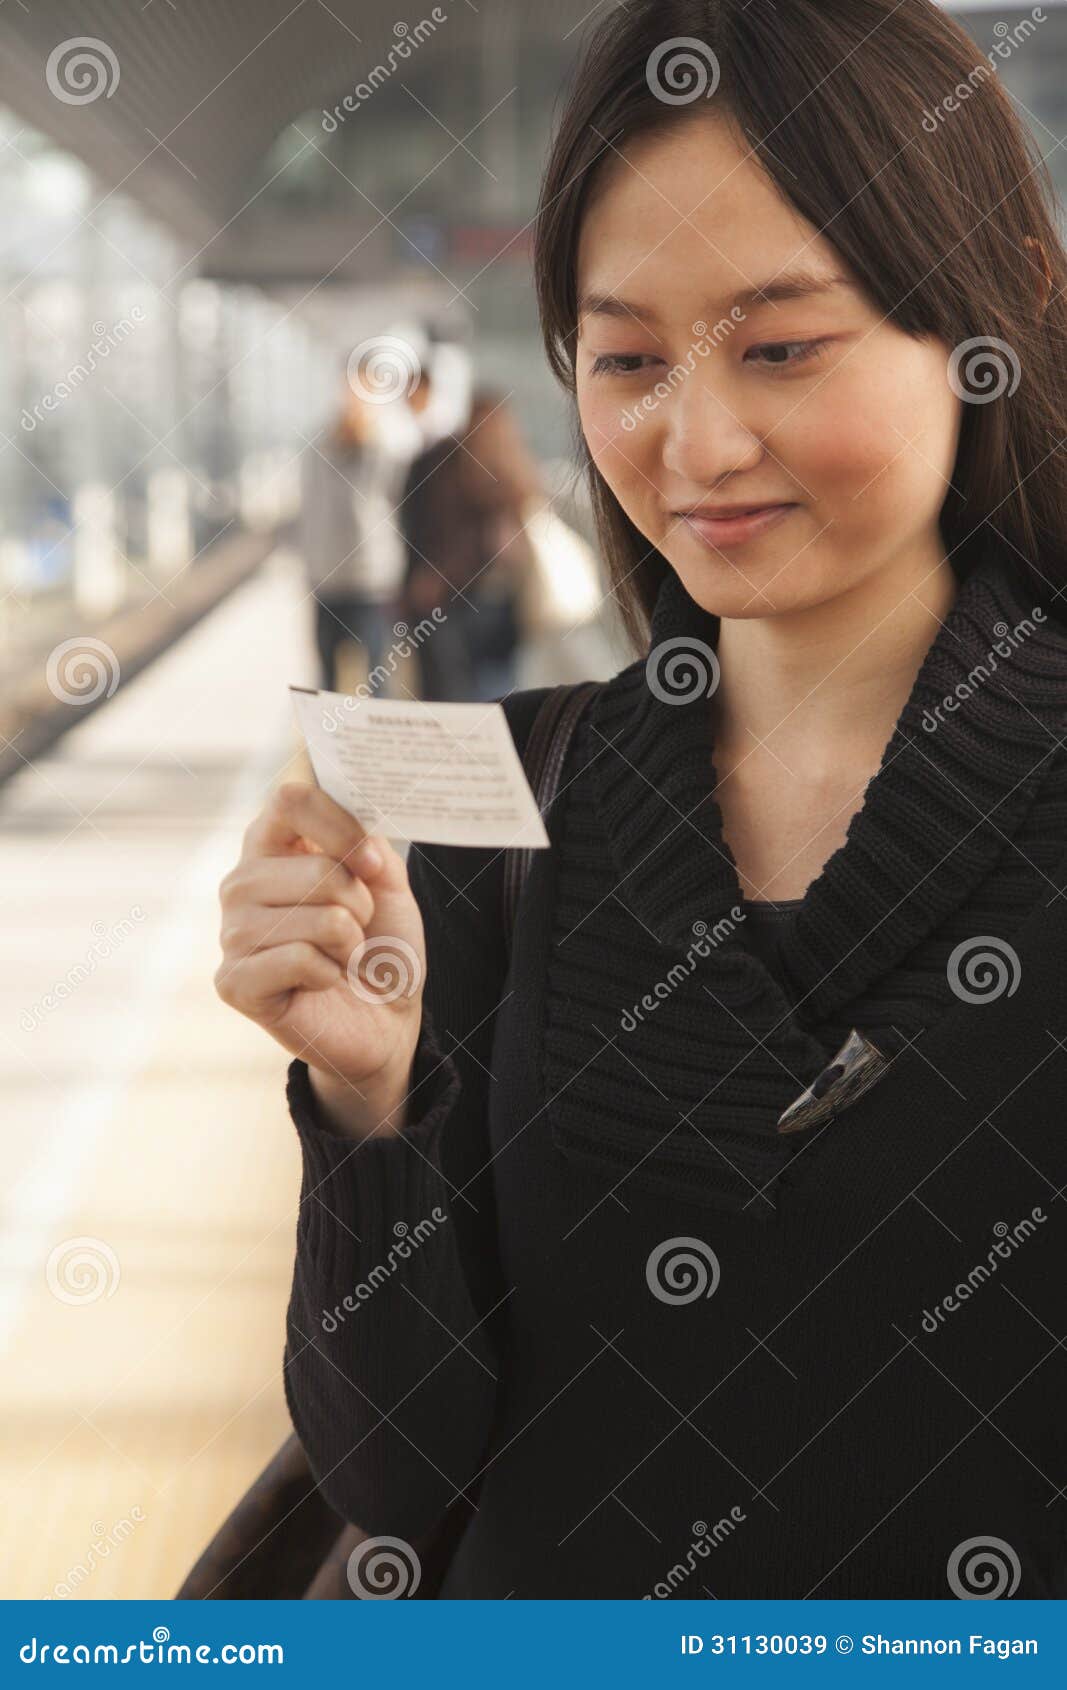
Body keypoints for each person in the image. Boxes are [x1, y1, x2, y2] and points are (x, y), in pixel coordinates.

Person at [215, 0, 1067, 1599]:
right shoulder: (503, 804)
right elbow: (396, 1479)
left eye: (779, 345)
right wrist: (365, 1106)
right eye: (622, 360)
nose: (695, 439)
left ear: (991, 315)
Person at [299, 357, 435, 694]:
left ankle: (375, 742)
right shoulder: (317, 446)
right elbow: (309, 509)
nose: (355, 400)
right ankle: (328, 744)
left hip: (373, 582)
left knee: (378, 677)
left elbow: (403, 509)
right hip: (327, 579)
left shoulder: (391, 447)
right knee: (326, 682)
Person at [398, 390, 544, 701]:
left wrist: (430, 578)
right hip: (496, 603)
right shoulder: (514, 470)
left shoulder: (445, 463)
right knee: (498, 694)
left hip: (453, 602)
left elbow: (416, 527)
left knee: (453, 694)